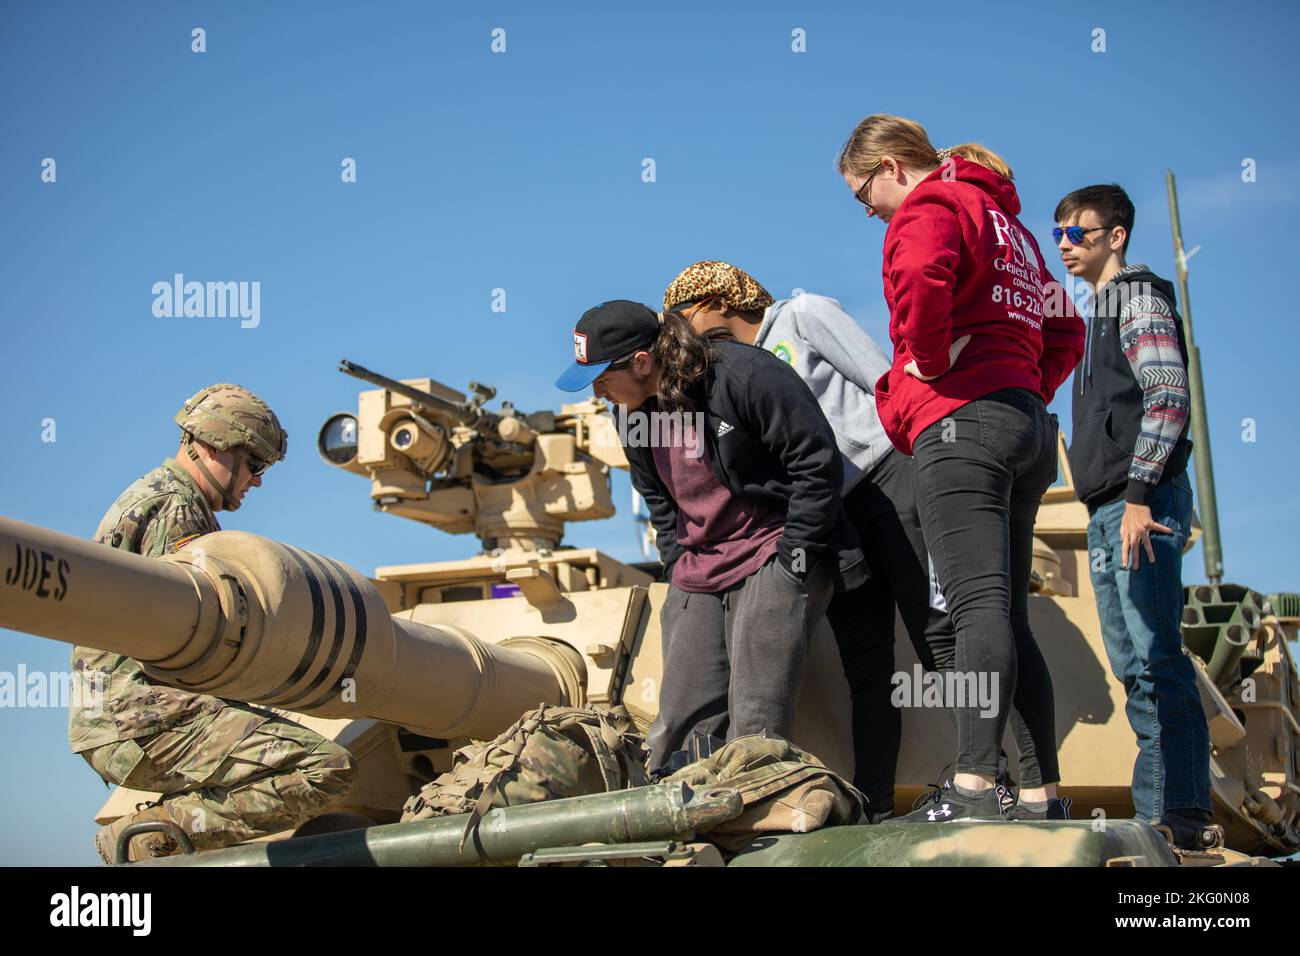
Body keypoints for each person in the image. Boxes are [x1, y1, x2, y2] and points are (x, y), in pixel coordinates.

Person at [838, 115, 1084, 821]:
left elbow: (919, 272)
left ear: (889, 165)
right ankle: (1040, 795)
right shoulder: (1014, 229)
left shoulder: (931, 206)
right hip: (1024, 422)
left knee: (973, 609)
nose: (867, 211)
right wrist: (1029, 382)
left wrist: (933, 360)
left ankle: (976, 786)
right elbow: (1065, 325)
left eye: (863, 194)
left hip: (960, 423)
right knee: (1009, 616)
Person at [661, 259, 956, 819]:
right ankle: (877, 805)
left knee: (935, 634)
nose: (675, 332)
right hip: (829, 513)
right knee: (867, 670)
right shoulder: (723, 373)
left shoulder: (803, 314)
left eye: (678, 316)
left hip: (889, 478)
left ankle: (986, 779)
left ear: (709, 304)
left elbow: (886, 382)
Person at [554, 300, 866, 775]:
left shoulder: (745, 376)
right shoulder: (629, 414)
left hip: (771, 550)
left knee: (755, 721)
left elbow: (815, 462)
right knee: (674, 727)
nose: (597, 392)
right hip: (698, 567)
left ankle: (761, 825)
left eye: (601, 378)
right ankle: (684, 830)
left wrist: (793, 560)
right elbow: (657, 497)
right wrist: (676, 563)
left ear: (642, 363)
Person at [71, 384, 356, 862]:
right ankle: (151, 836)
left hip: (126, 713)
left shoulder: (162, 497)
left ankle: (165, 830)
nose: (258, 481)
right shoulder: (175, 511)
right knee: (323, 768)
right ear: (211, 446)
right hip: (142, 713)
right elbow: (190, 638)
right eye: (254, 465)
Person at [1053, 184, 1212, 848]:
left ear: (1115, 236)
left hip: (1136, 505)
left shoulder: (1134, 298)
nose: (1064, 243)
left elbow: (1169, 395)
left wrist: (1142, 496)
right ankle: (1162, 817)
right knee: (1133, 667)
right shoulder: (1097, 312)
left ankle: (1178, 817)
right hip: (1107, 507)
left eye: (1078, 233)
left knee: (1156, 657)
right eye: (1058, 231)